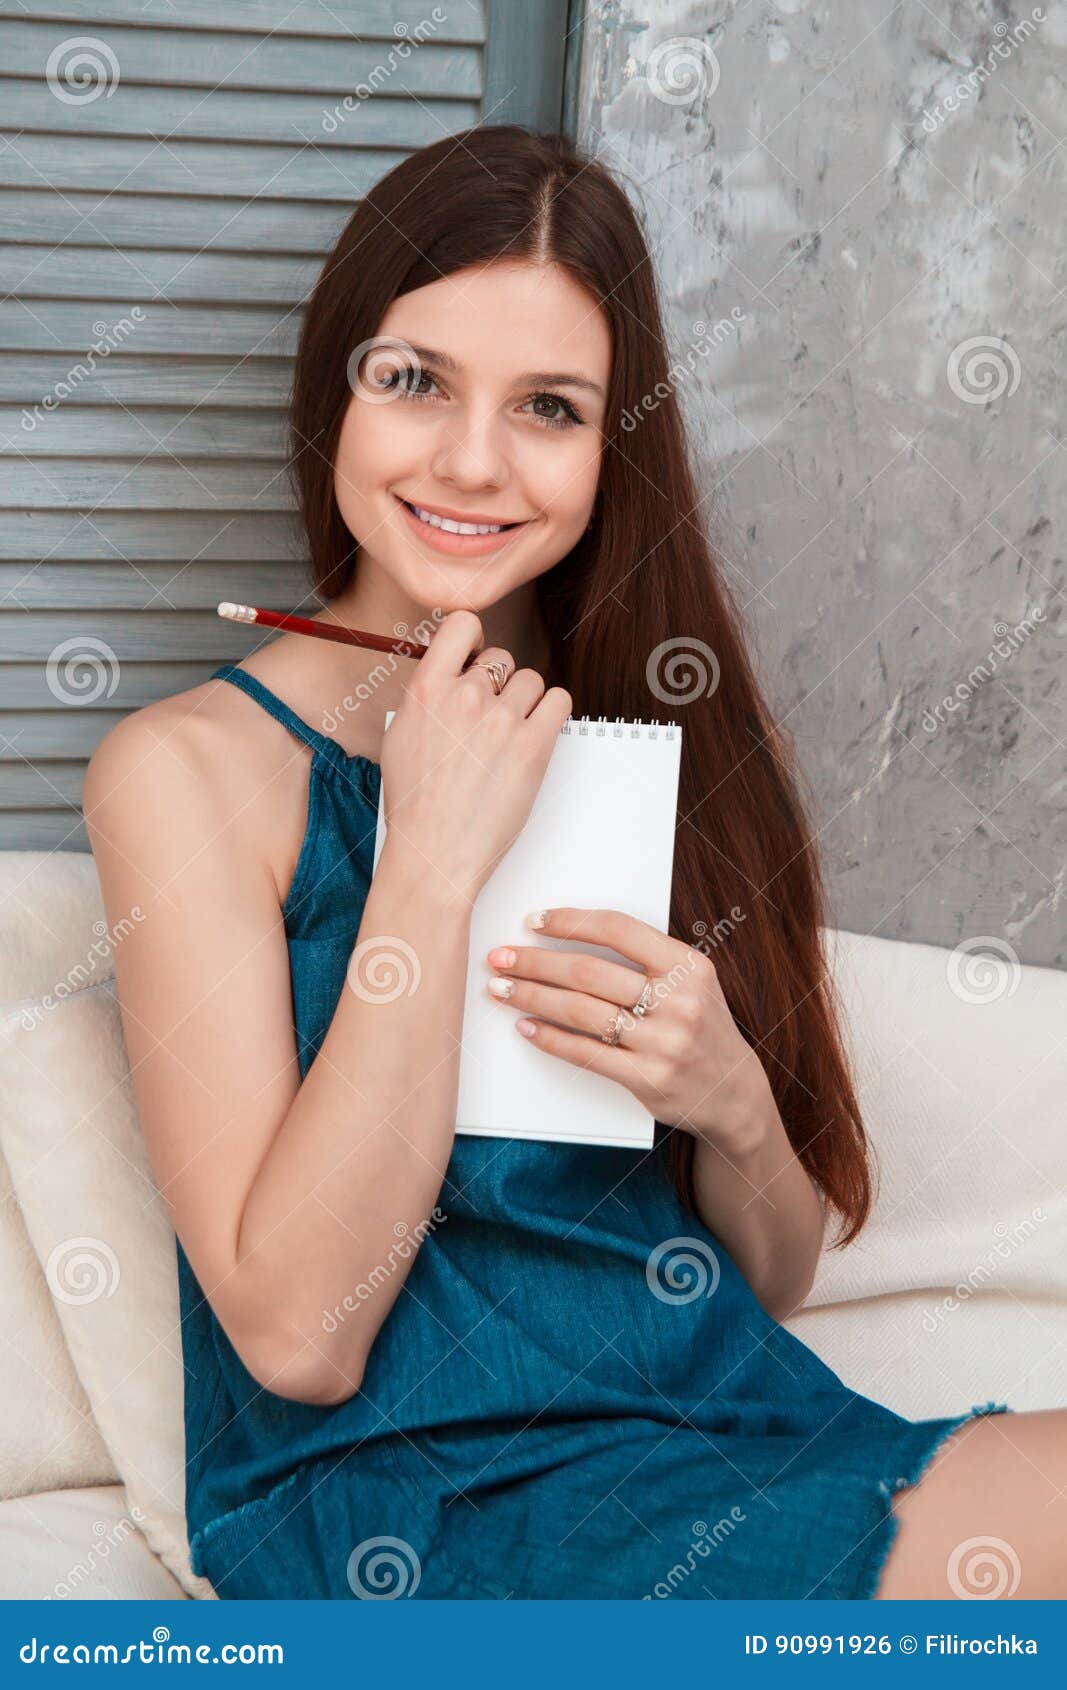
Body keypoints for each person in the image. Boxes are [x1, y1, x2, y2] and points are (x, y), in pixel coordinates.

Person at [84, 125, 1065, 1601]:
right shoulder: (185, 775)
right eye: (414, 381)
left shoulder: (646, 733)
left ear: (613, 449)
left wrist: (729, 1094)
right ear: (333, 394)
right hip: (411, 1499)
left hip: (733, 1433)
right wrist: (426, 862)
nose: (473, 459)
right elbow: (296, 1334)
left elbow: (774, 1270)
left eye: (548, 406)